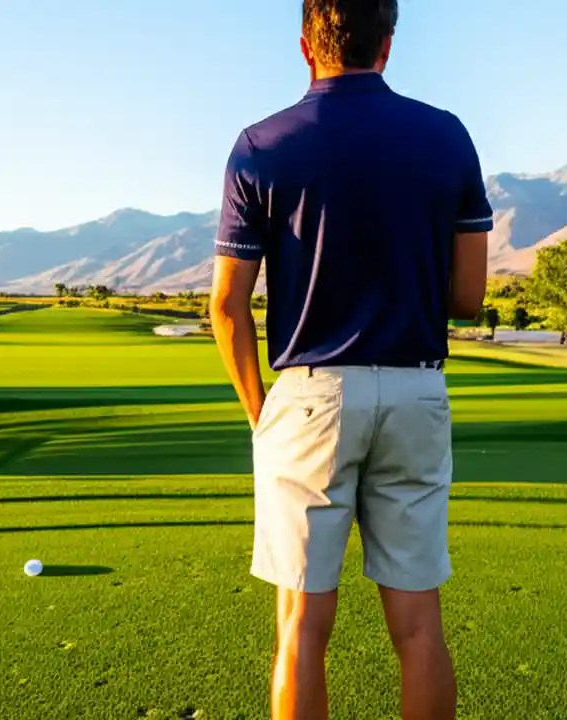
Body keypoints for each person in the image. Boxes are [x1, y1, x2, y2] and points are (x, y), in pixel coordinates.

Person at [209, 1, 491, 718]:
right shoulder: (448, 137)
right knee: (420, 623)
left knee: (301, 628)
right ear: (388, 44)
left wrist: (260, 414)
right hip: (416, 391)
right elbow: (467, 297)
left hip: (308, 399)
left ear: (307, 44)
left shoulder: (259, 146)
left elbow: (225, 306)